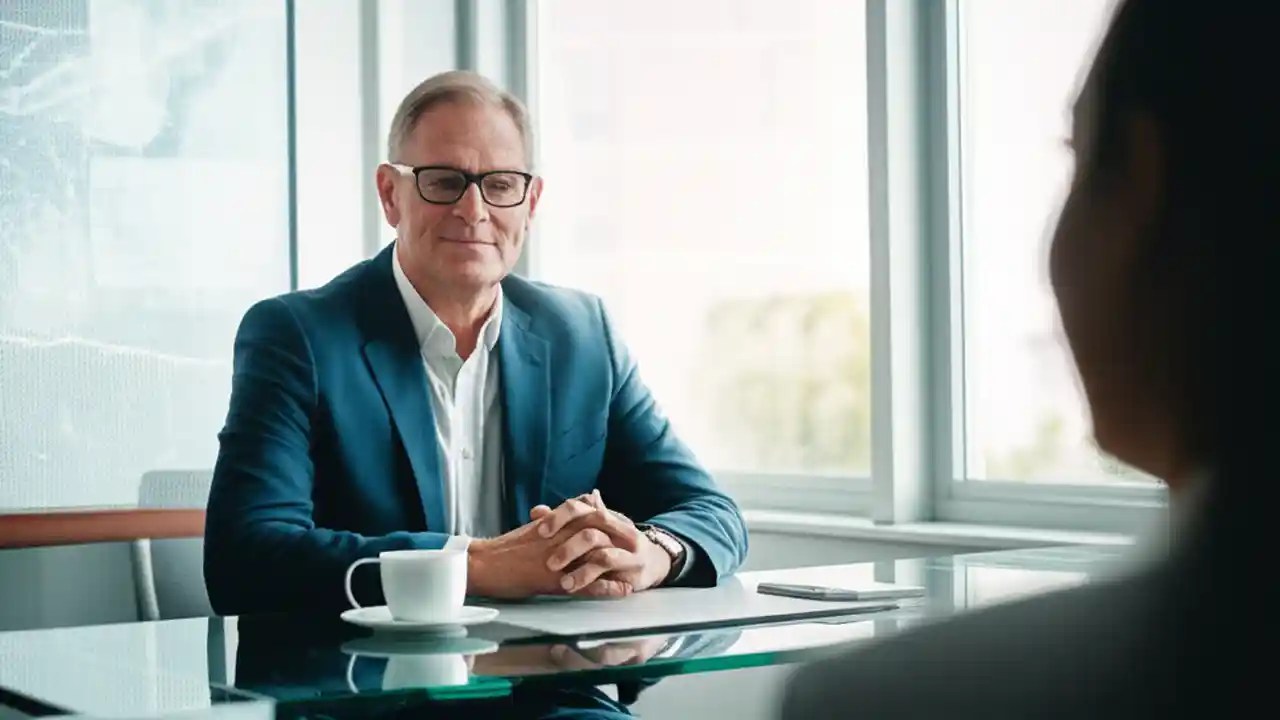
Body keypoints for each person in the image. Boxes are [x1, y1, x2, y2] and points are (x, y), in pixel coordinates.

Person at [782, 0, 1276, 717]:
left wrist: (663, 547)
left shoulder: (893, 700)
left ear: (1145, 185)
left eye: (1077, 158)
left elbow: (704, 508)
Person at [204, 70, 748, 614]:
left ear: (530, 203)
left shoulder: (582, 337)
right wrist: (477, 565)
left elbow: (711, 512)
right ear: (390, 195)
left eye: (501, 185)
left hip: (555, 664)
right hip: (366, 666)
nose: (474, 210)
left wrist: (653, 552)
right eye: (444, 182)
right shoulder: (297, 336)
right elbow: (243, 559)